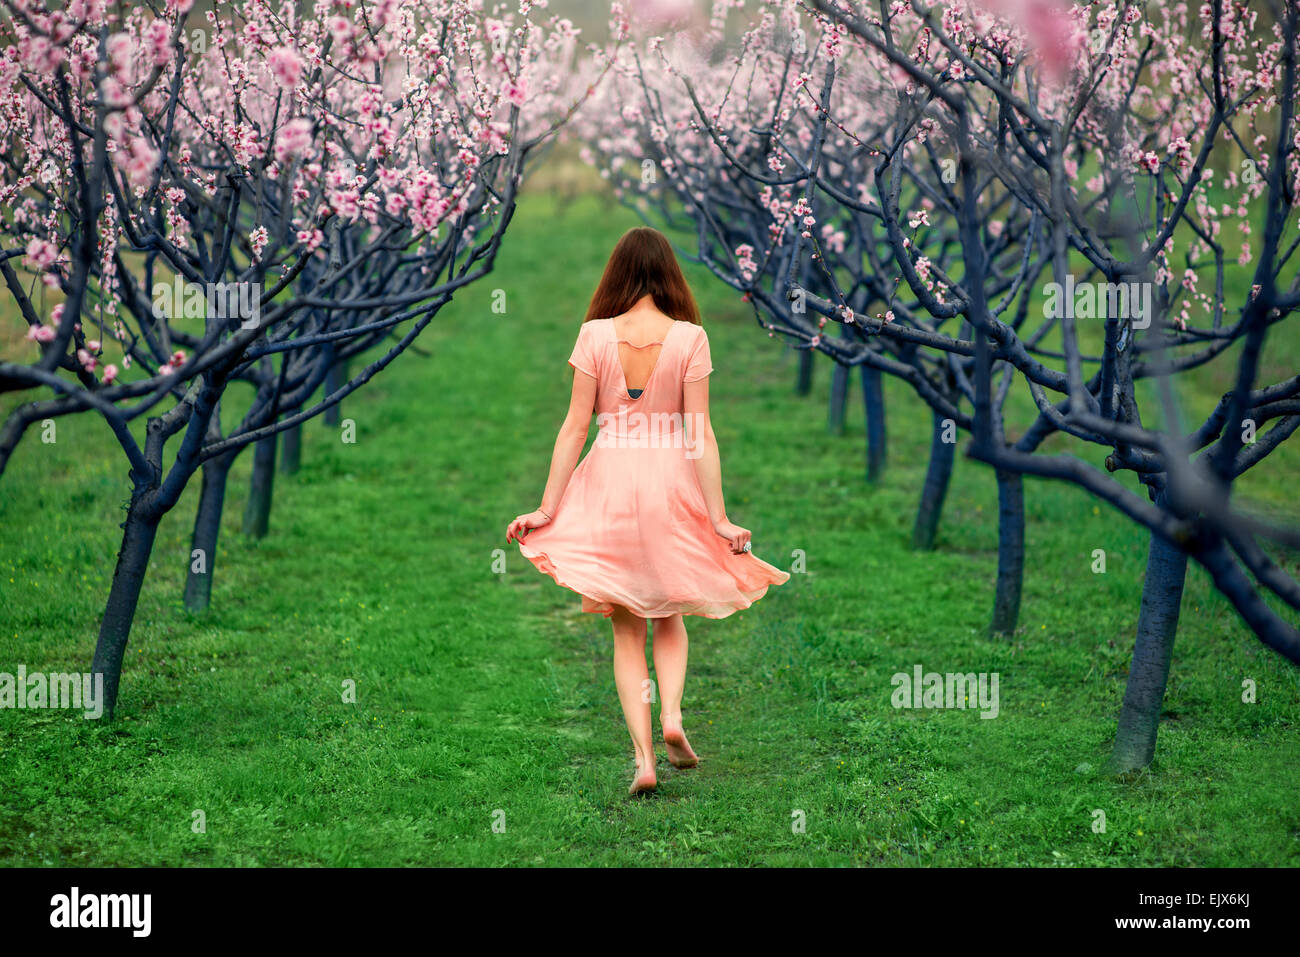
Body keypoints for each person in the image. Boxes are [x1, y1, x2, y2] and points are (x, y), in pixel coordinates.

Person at [506, 226, 789, 795]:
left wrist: (547, 507)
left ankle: (643, 759)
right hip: (669, 482)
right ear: (669, 276)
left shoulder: (593, 335)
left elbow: (573, 427)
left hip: (609, 479)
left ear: (617, 274)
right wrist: (719, 518)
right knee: (669, 614)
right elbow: (700, 432)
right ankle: (673, 718)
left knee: (626, 627)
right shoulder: (691, 338)